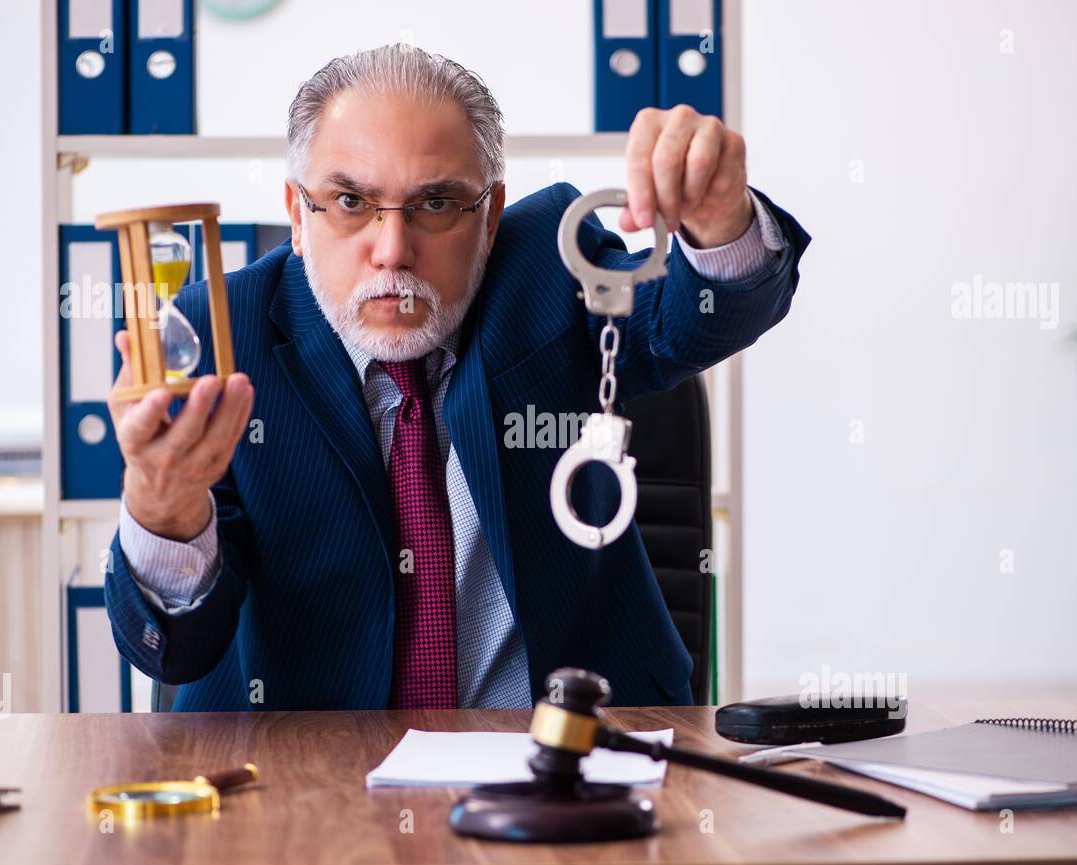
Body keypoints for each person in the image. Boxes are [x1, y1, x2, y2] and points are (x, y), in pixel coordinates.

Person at [104, 44, 810, 711]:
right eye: (350, 203)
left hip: (567, 766)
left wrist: (720, 222)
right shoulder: (220, 339)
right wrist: (162, 511)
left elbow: (695, 315)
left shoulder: (548, 275)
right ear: (297, 213)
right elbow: (173, 650)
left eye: (436, 204)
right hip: (308, 786)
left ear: (491, 215)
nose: (392, 251)